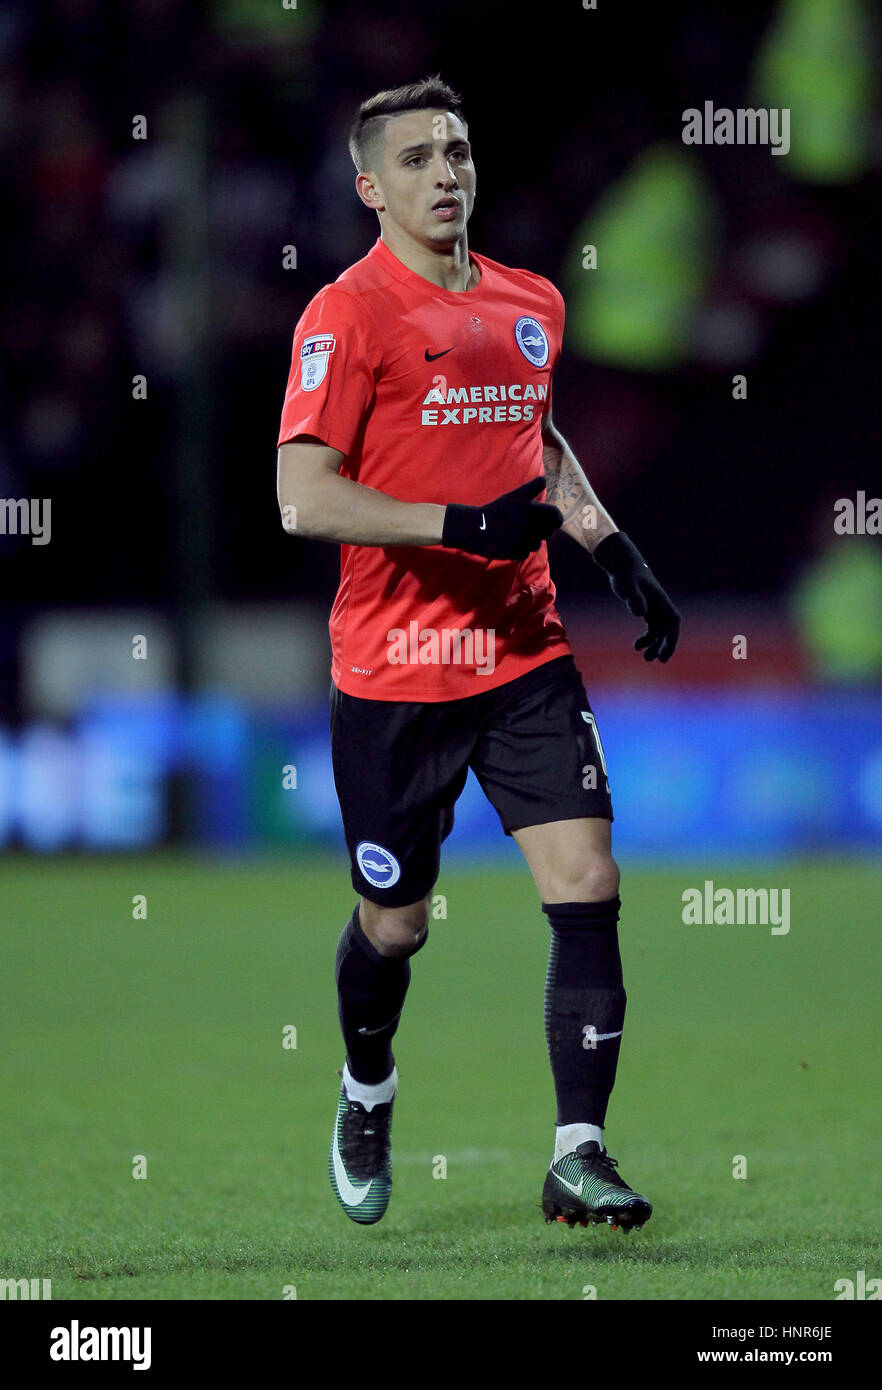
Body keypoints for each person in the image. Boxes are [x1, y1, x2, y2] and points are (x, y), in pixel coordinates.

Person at [276, 76, 680, 1232]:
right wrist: (461, 527)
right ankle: (366, 1086)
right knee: (394, 925)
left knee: (588, 882)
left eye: (455, 150)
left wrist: (615, 551)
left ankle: (579, 1153)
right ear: (370, 188)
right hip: (397, 668)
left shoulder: (531, 300)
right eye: (415, 159)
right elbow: (301, 498)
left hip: (523, 653)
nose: (445, 171)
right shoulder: (347, 318)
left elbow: (536, 441)